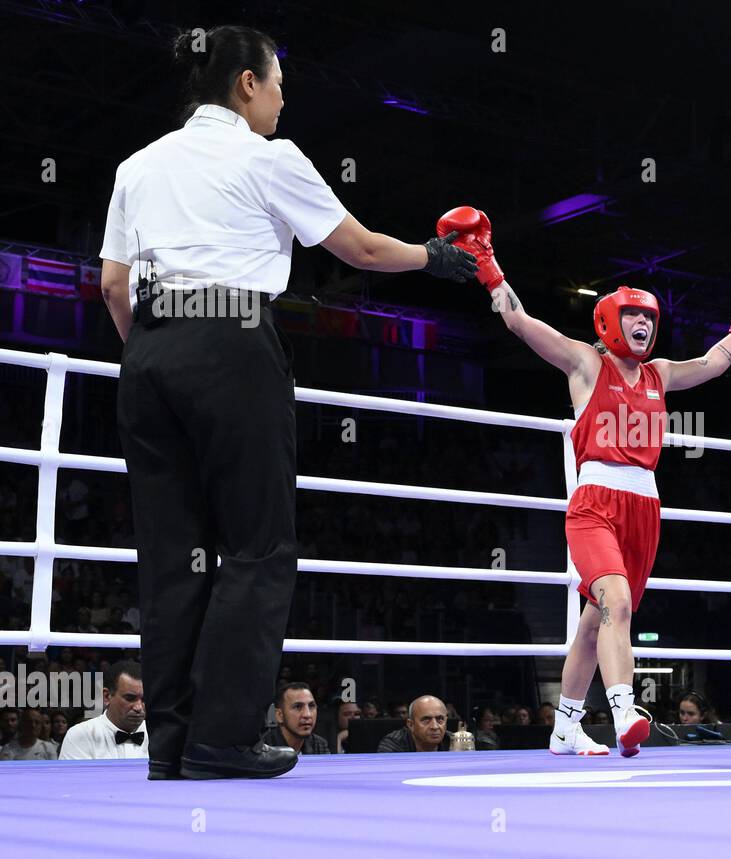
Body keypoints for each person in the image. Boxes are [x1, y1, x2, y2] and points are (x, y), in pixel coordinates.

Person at [98, 25, 476, 781]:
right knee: (258, 546)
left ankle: (170, 747)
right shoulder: (266, 157)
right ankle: (224, 739)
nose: (281, 99)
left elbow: (111, 285)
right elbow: (361, 249)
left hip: (149, 352)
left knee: (172, 557)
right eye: (276, 84)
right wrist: (434, 258)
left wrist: (156, 350)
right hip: (233, 342)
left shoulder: (138, 165)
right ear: (245, 84)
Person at [449, 208, 731, 756]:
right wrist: (487, 265)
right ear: (610, 321)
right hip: (594, 504)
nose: (645, 325)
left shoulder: (661, 374)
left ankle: (565, 726)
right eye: (634, 316)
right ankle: (626, 709)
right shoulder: (585, 363)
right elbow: (518, 320)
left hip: (645, 509)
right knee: (618, 602)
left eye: (651, 318)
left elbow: (715, 363)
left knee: (593, 623)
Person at [59, 661, 149, 760]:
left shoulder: (160, 736)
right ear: (106, 697)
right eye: (130, 698)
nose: (139, 707)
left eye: (144, 700)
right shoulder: (81, 735)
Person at [261, 682, 330, 755]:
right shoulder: (263, 748)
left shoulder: (319, 745)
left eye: (311, 706)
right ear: (279, 715)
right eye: (297, 707)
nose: (307, 714)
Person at [377, 696, 450, 753]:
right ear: (411, 725)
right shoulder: (393, 744)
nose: (435, 726)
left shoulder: (454, 740)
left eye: (440, 719)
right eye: (426, 720)